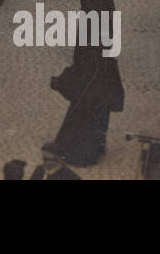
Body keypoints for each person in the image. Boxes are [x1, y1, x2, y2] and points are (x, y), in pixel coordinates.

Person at [50, 37, 124, 167]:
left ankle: (80, 153)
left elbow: (81, 55)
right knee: (94, 117)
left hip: (92, 71)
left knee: (84, 114)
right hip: (97, 68)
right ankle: (90, 152)